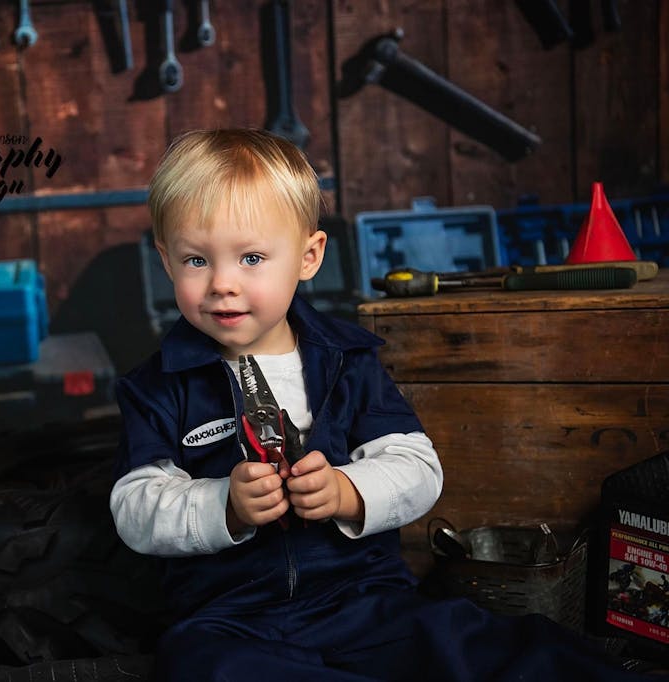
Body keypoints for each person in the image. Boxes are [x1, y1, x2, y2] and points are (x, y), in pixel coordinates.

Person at [109, 128, 655, 681]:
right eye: (196, 260)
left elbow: (418, 468)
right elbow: (135, 508)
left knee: (489, 646)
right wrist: (223, 504)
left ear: (308, 257)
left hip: (364, 600)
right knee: (202, 666)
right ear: (166, 260)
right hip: (230, 617)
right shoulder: (156, 386)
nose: (222, 283)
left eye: (251, 257)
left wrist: (348, 490)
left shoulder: (347, 361)